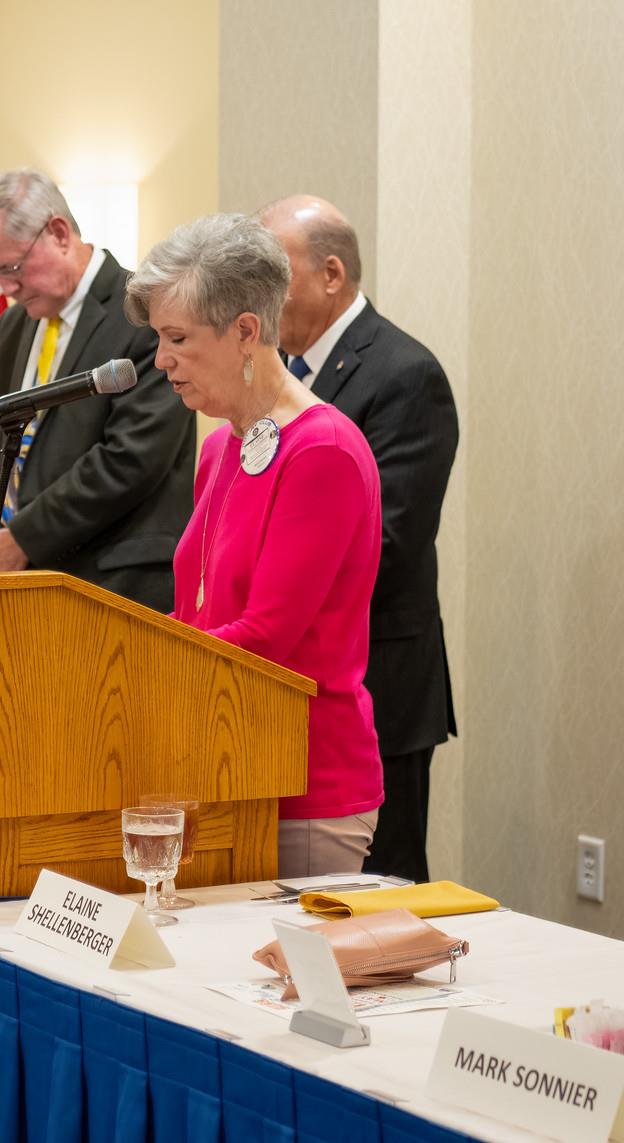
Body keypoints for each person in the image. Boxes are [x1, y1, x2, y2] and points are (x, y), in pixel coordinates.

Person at [125, 212, 384, 877]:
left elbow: (267, 637)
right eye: (158, 338)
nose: (161, 361)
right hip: (219, 766)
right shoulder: (221, 448)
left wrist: (126, 669)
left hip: (302, 784)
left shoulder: (321, 449)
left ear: (245, 330)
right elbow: (196, 613)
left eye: (178, 338)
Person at [260, 195, 458, 885]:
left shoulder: (405, 374)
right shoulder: (275, 378)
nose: (255, 292)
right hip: (289, 684)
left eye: (271, 270)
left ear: (332, 274)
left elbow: (389, 540)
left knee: (383, 894)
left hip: (379, 684)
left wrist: (273, 581)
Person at [0, 170, 194, 610]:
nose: (7, 288)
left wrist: (24, 537)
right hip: (20, 583)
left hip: (113, 585)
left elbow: (131, 457)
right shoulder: (14, 325)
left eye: (11, 268)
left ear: (59, 234)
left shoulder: (143, 312)